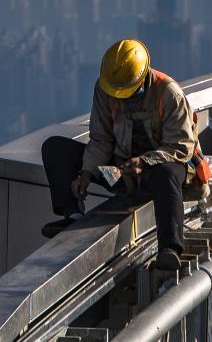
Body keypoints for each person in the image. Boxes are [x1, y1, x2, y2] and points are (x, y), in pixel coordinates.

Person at [40, 38, 198, 271]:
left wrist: (144, 162)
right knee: (55, 148)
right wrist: (87, 173)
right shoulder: (105, 90)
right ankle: (72, 217)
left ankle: (170, 248)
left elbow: (181, 146)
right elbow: (101, 138)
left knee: (166, 173)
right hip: (120, 172)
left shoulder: (168, 93)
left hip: (158, 173)